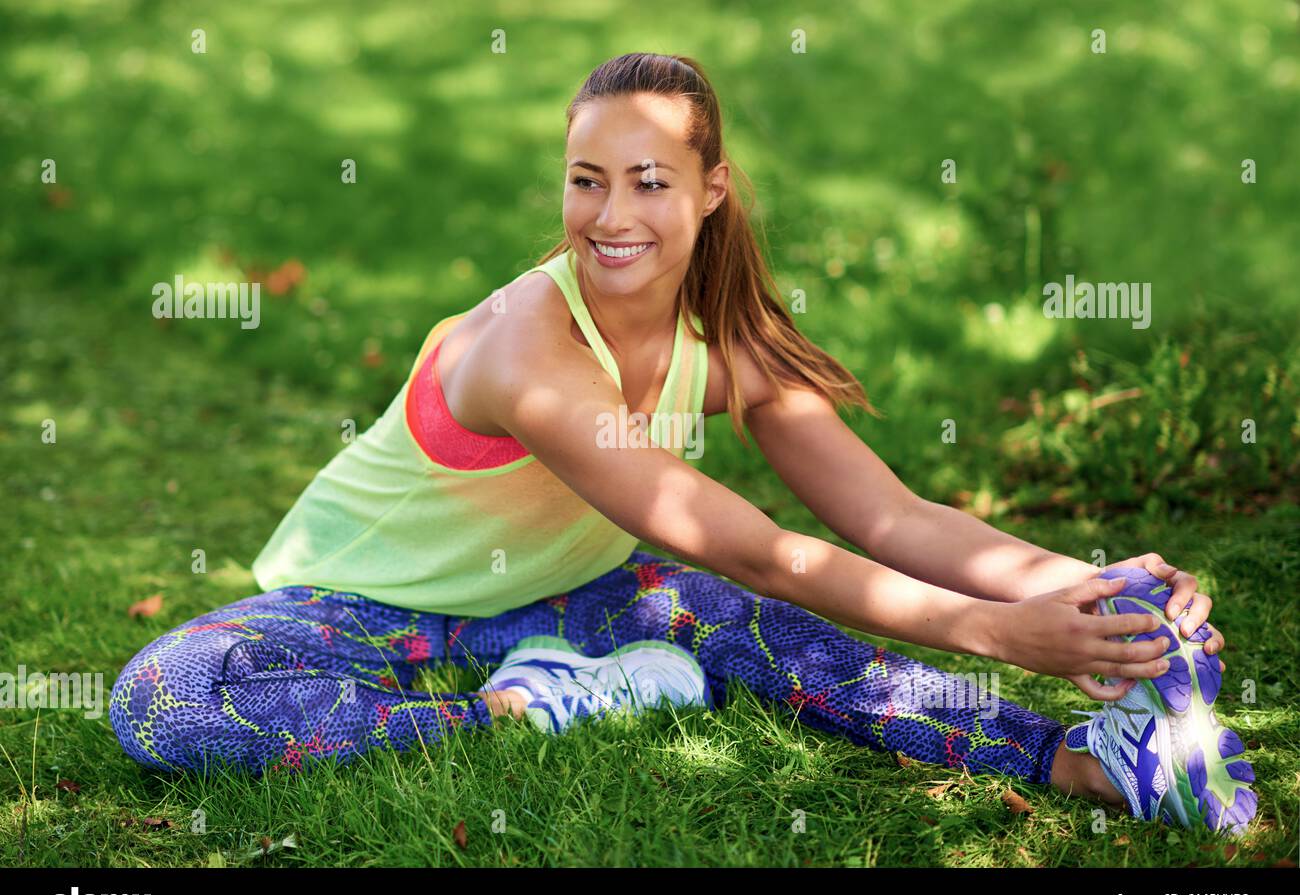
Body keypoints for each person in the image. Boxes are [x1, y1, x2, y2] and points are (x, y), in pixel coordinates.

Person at [110, 52, 1255, 835]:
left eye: (648, 183)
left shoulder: (734, 342)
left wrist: (1094, 594)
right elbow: (757, 544)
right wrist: (998, 633)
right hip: (355, 611)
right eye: (585, 182)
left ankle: (1093, 764)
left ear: (710, 191)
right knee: (167, 696)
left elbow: (888, 519)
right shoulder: (523, 350)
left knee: (763, 630)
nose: (611, 217)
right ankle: (535, 704)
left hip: (581, 601)